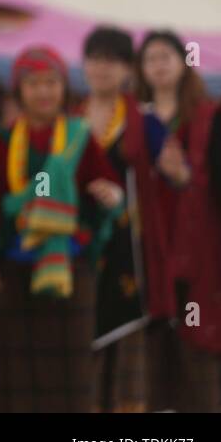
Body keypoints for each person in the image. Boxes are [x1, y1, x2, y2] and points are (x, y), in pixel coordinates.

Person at [0, 46, 124, 412]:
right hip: (15, 266)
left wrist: (110, 192)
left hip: (69, 271)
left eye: (51, 82)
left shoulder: (79, 137)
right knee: (14, 369)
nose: (43, 92)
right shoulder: (2, 140)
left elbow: (107, 183)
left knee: (68, 371)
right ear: (19, 91)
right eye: (33, 84)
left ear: (64, 87)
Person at [126, 30, 221, 412]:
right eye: (150, 58)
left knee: (196, 324)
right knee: (156, 326)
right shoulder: (132, 119)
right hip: (148, 241)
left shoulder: (206, 116)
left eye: (166, 56)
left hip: (198, 242)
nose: (158, 65)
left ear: (183, 62)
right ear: (141, 68)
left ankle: (215, 397)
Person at [78, 26, 146, 412]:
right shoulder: (68, 120)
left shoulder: (142, 121)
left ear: (127, 68)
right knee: (82, 350)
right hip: (79, 250)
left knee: (126, 358)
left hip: (129, 255)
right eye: (95, 58)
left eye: (112, 59)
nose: (102, 67)